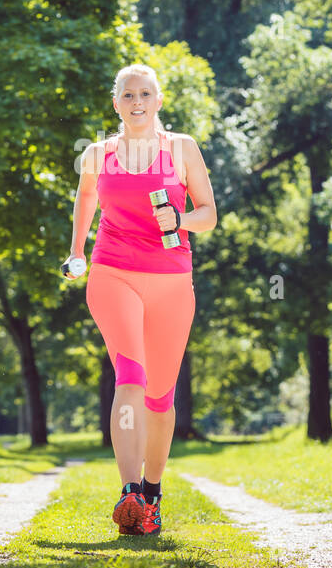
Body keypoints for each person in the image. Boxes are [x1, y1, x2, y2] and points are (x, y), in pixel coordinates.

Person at [64, 63, 218, 536]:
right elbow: (86, 198)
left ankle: (151, 494)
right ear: (116, 103)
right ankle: (129, 490)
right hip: (113, 273)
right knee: (130, 375)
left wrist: (180, 220)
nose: (136, 102)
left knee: (161, 398)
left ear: (158, 100)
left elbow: (209, 214)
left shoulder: (181, 149)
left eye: (145, 94)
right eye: (127, 94)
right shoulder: (98, 154)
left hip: (172, 279)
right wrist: (76, 252)